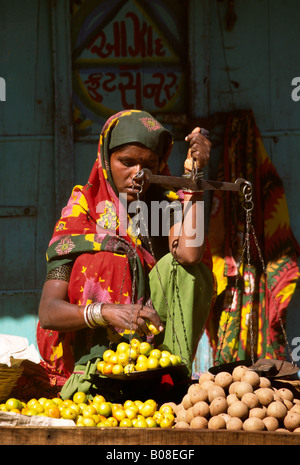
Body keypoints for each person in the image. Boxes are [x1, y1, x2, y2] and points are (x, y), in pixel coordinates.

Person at [36, 109, 215, 399]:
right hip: (92, 371)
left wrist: (194, 178)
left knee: (184, 268)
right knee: (109, 257)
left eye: (149, 164)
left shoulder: (163, 206)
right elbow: (48, 311)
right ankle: (92, 372)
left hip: (149, 361)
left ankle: (173, 375)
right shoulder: (83, 210)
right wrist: (105, 312)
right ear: (106, 160)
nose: (138, 174)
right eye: (126, 162)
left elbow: (190, 258)